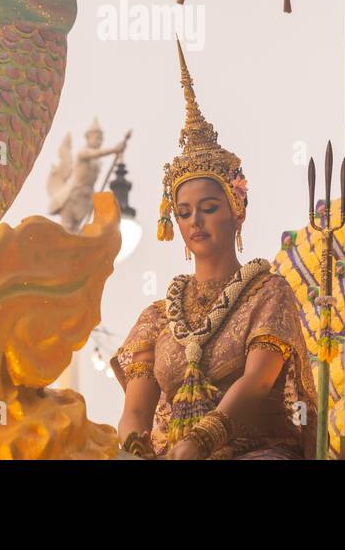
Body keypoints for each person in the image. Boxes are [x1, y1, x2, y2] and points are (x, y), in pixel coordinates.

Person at [111, 43, 317, 459]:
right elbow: (135, 408)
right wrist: (135, 444)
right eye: (184, 213)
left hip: (257, 450)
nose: (195, 222)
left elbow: (257, 383)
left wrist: (200, 442)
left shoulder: (267, 293)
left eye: (208, 209)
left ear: (236, 212)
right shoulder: (158, 318)